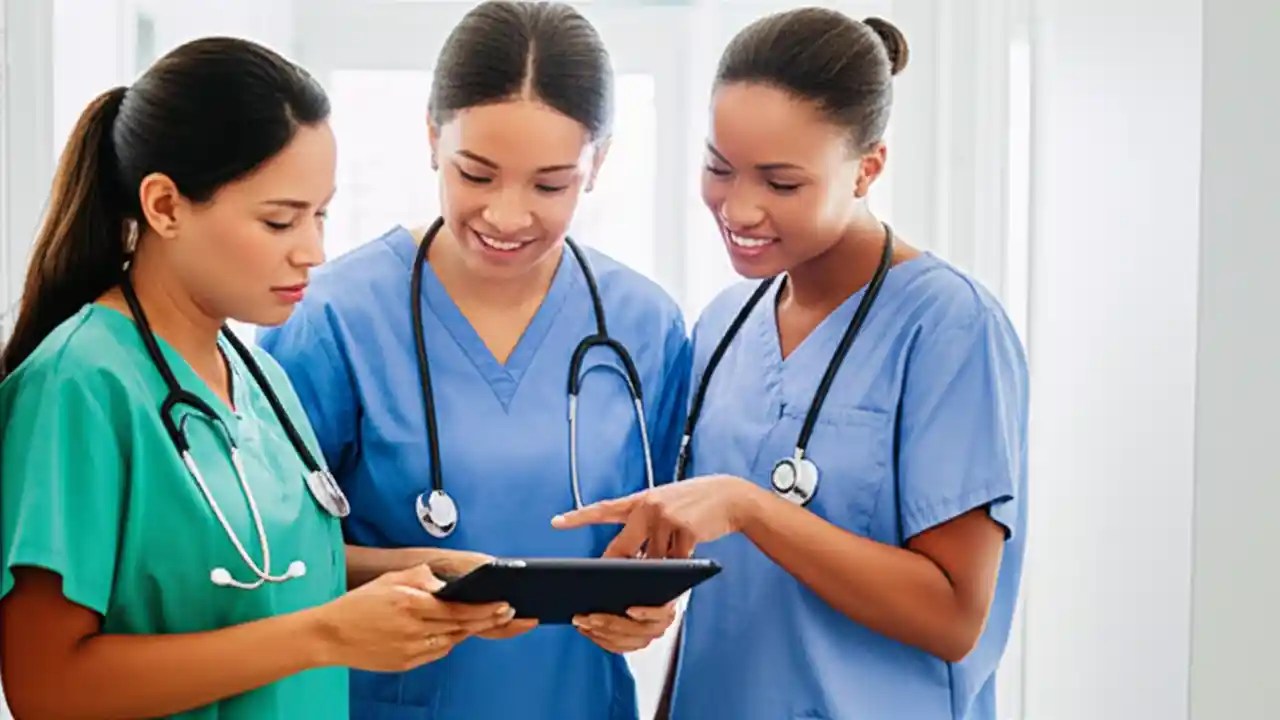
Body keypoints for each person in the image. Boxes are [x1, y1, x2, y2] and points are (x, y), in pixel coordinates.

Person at [0, 37, 517, 720]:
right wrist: (325, 635)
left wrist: (415, 570)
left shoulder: (259, 376)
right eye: (280, 220)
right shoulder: (80, 386)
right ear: (164, 206)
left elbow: (261, 569)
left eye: (320, 214)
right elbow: (47, 686)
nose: (314, 252)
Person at [553, 9, 1029, 720]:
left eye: (780, 184)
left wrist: (750, 507)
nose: (738, 207)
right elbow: (725, 597)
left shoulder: (949, 329)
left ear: (867, 168)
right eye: (719, 168)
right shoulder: (725, 324)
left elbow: (956, 616)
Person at [256, 2, 691, 718]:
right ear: (432, 137)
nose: (508, 216)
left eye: (551, 184)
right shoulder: (333, 316)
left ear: (599, 162)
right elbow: (271, 559)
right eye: (476, 174)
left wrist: (647, 608)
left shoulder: (645, 325)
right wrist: (432, 575)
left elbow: (659, 540)